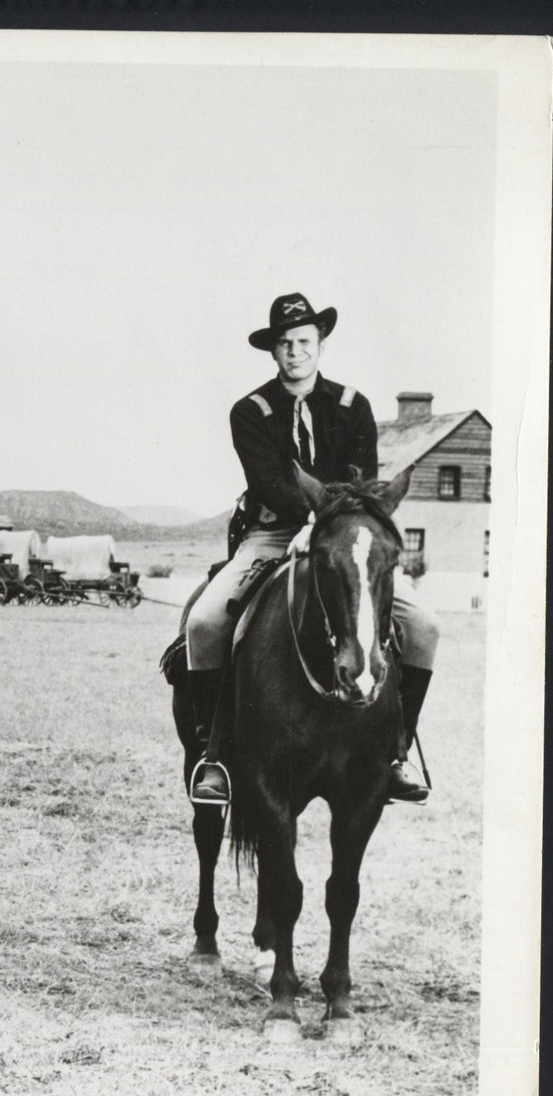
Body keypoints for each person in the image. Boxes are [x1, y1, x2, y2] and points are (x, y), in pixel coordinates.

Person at [184, 292, 438, 806]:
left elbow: (361, 481)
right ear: (273, 352)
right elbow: (268, 479)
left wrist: (329, 524)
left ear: (319, 344)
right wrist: (305, 519)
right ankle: (214, 755)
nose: (295, 351)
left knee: (425, 626)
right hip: (273, 531)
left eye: (303, 341)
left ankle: (396, 752)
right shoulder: (250, 411)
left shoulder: (353, 407)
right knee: (205, 623)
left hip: (343, 535)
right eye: (284, 343)